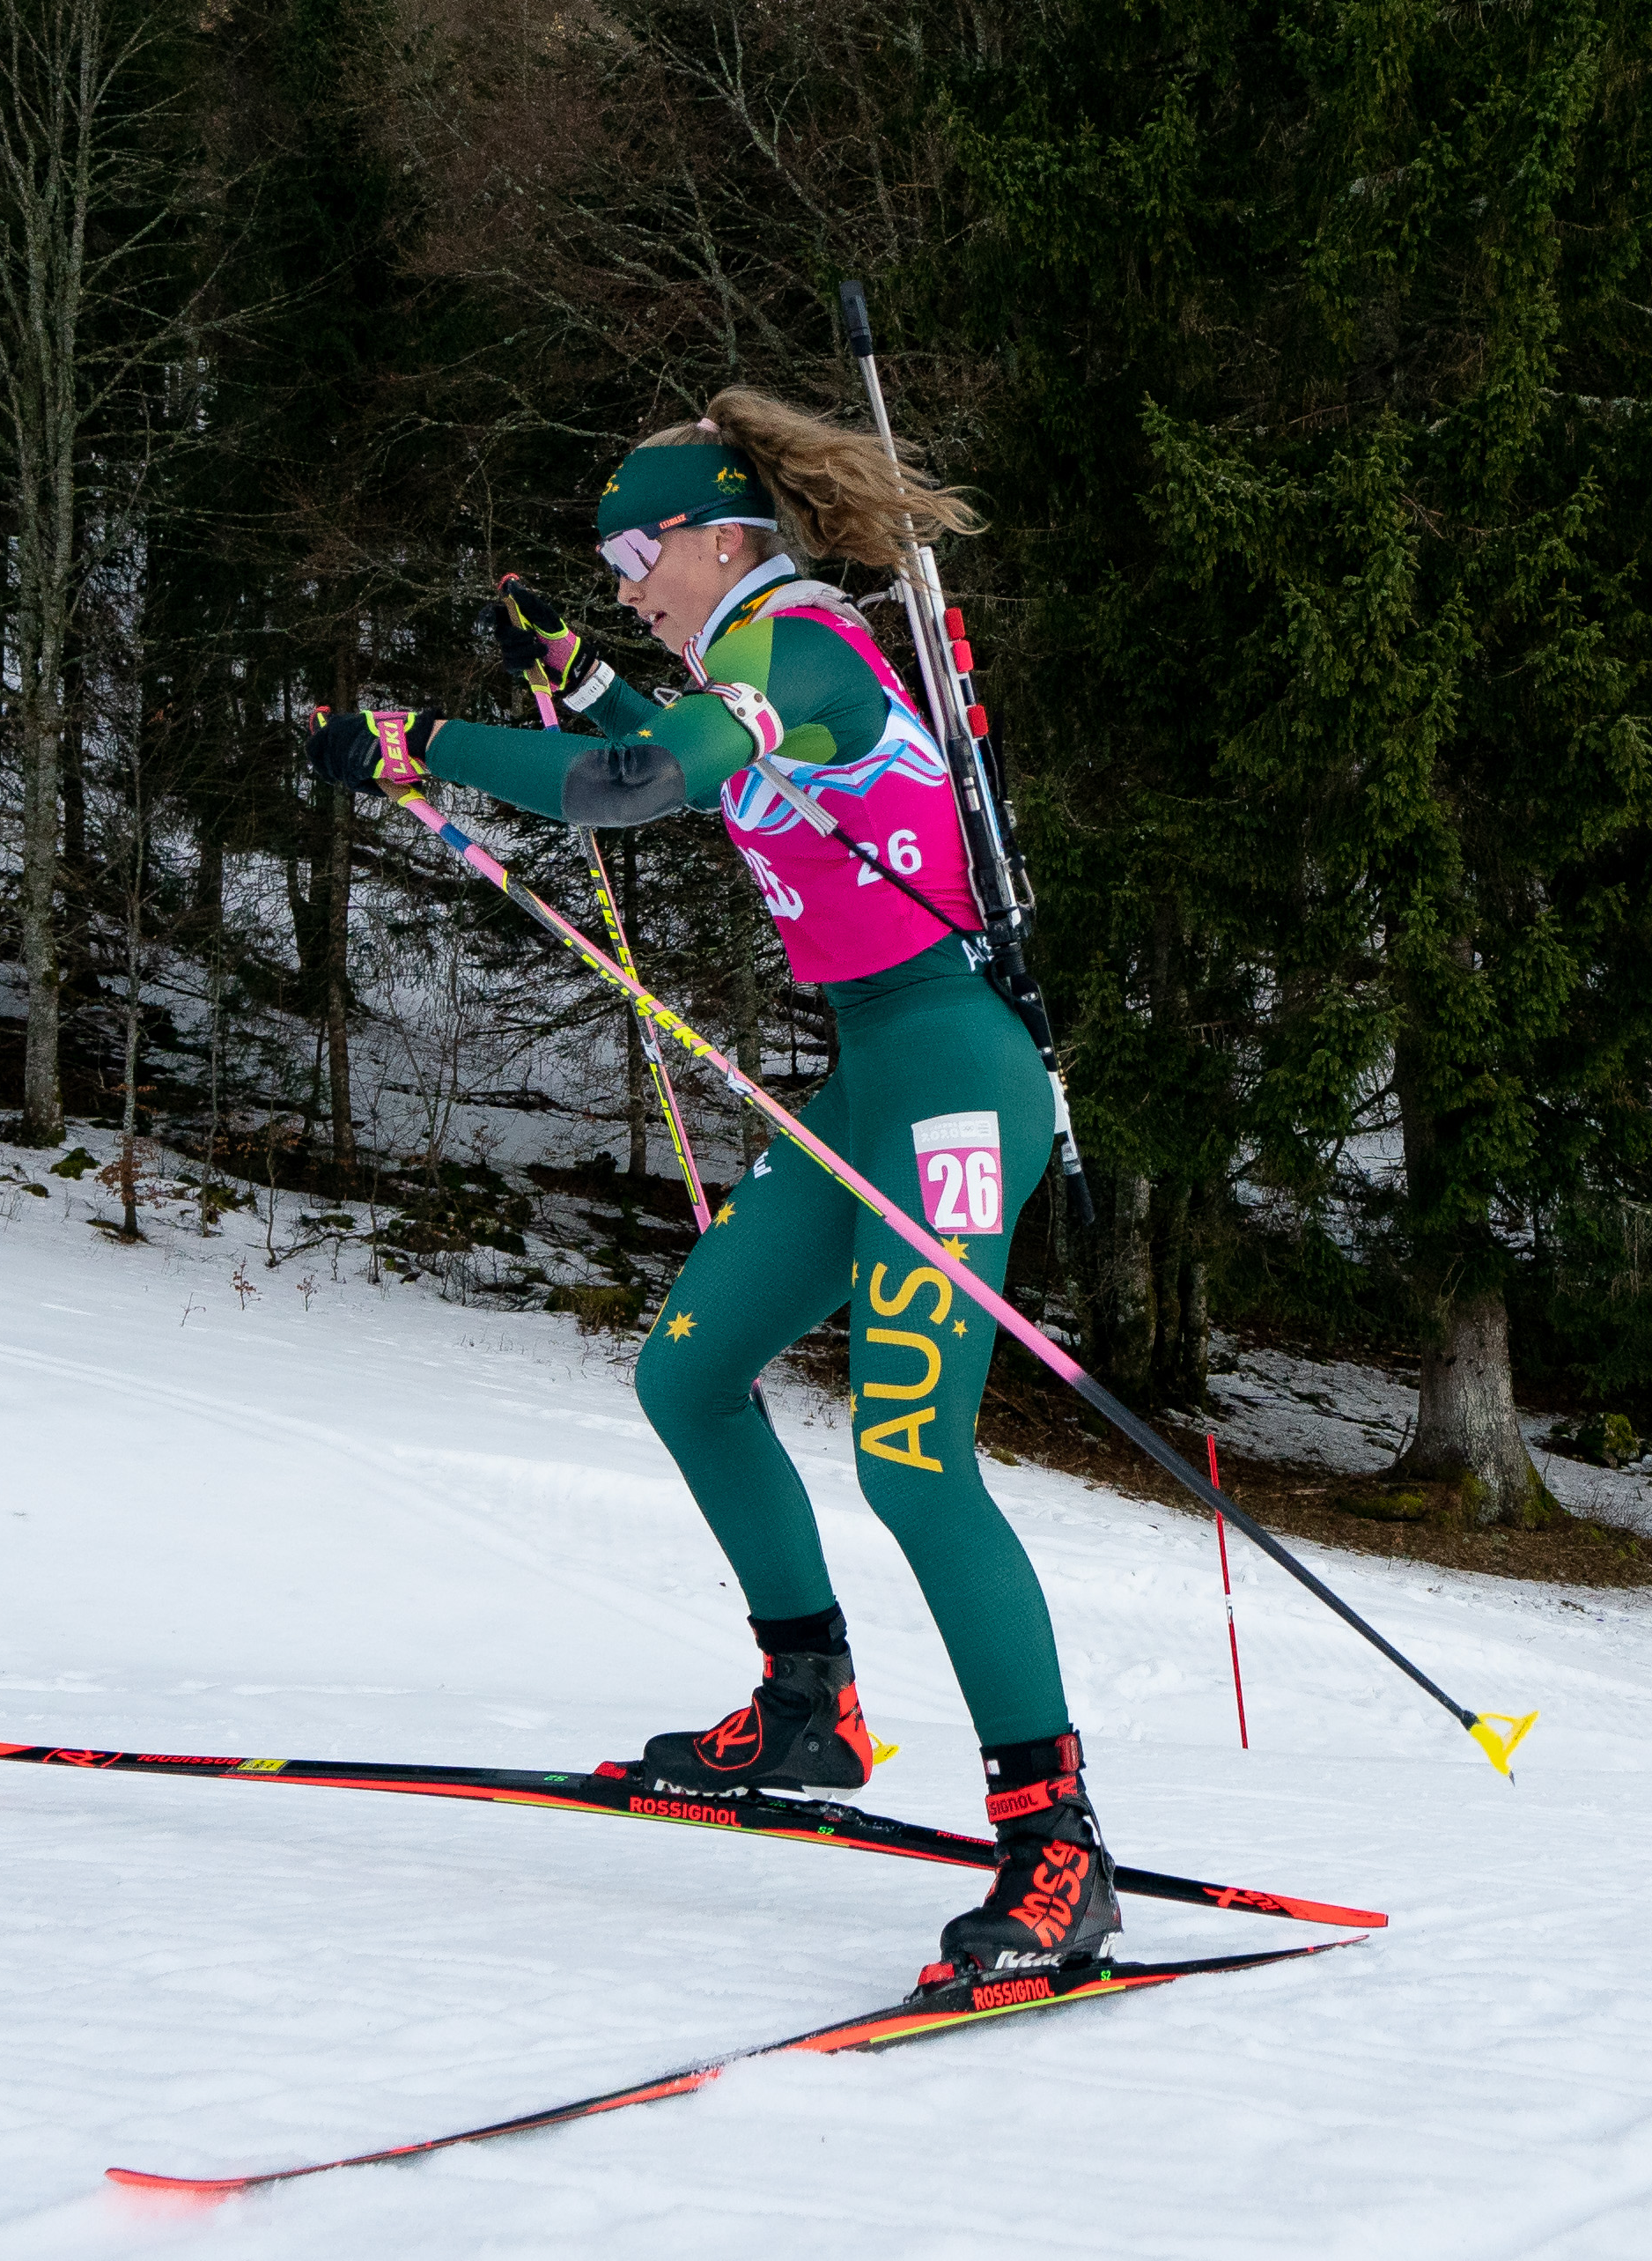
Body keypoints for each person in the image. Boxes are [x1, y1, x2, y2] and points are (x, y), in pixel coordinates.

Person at [299, 389, 1116, 1986]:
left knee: (910, 1456)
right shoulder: (747, 667)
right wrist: (581, 671)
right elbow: (668, 732)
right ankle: (806, 1707)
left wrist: (423, 747)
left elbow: (623, 784)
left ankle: (1054, 1845)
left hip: (958, 1079)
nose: (621, 580)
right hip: (869, 1075)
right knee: (688, 1374)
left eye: (633, 550)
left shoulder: (797, 648)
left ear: (721, 535)